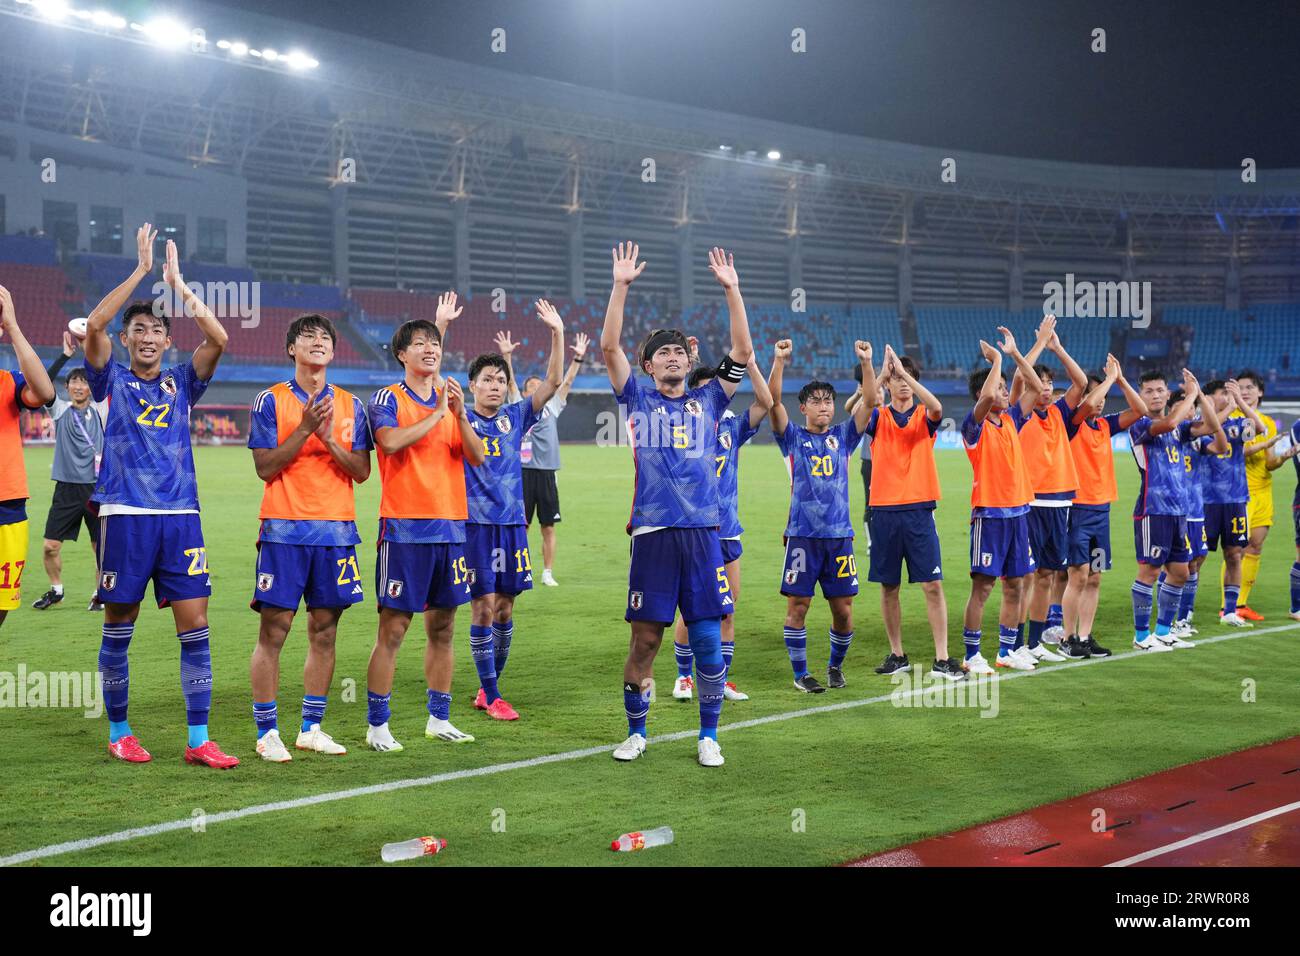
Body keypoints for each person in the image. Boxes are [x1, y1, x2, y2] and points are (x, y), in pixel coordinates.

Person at [84, 225, 238, 767]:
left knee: (195, 624)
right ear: (128, 340)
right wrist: (141, 273)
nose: (148, 337)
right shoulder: (108, 380)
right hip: (125, 515)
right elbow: (97, 322)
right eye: (139, 331)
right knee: (119, 625)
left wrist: (179, 285)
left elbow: (219, 339)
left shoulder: (182, 381)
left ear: (167, 341)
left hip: (181, 518)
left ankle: (199, 741)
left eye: (156, 330)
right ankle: (120, 731)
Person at [602, 244, 753, 768]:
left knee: (709, 642)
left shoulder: (711, 399)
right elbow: (607, 347)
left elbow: (741, 352)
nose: (672, 356)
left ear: (690, 362)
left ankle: (708, 735)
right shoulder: (636, 399)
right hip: (652, 536)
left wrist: (732, 290)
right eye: (661, 352)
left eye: (679, 352)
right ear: (648, 365)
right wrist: (620, 285)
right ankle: (637, 732)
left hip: (703, 534)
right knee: (644, 644)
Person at [247, 313, 373, 762]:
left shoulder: (352, 406)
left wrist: (326, 437)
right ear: (291, 349)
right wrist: (303, 429)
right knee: (274, 631)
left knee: (325, 632)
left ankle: (311, 728)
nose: (317, 341)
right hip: (283, 530)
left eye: (324, 337)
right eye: (307, 336)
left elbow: (361, 471)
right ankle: (267, 732)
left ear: (333, 352)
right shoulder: (270, 401)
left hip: (336, 533)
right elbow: (265, 467)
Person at [365, 293, 486, 752]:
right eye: (419, 343)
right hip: (404, 529)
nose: (430, 348)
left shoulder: (451, 398)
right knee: (393, 630)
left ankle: (439, 718)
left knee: (443, 628)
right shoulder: (387, 398)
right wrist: (437, 413)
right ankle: (378, 724)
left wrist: (456, 415)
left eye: (434, 342)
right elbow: (391, 443)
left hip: (452, 528)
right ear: (402, 354)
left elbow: (475, 457)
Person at [461, 300, 566, 721]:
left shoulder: (515, 417)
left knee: (505, 607)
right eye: (487, 379)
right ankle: (491, 693)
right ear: (472, 386)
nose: (495, 385)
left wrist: (556, 332)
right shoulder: (459, 418)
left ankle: (490, 689)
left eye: (500, 380)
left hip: (511, 528)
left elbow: (554, 380)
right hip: (475, 527)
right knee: (483, 606)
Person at [669, 340, 774, 702]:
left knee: (727, 609)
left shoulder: (731, 426)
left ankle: (720, 680)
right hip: (692, 528)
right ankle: (684, 677)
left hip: (727, 529)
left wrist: (752, 363)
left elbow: (767, 404)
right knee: (694, 608)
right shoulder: (680, 423)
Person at [768, 338, 874, 692]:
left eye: (828, 401)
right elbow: (771, 403)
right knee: (798, 606)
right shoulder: (793, 438)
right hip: (802, 536)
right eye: (816, 402)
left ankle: (834, 666)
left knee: (843, 610)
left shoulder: (844, 437)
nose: (824, 407)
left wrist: (867, 362)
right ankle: (800, 674)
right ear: (803, 409)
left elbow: (871, 401)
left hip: (839, 536)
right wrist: (779, 361)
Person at [861, 347, 965, 680]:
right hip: (885, 511)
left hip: (920, 510)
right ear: (887, 385)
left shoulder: (923, 416)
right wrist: (880, 374)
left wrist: (902, 373)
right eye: (897, 379)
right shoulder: (879, 417)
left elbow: (936, 406)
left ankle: (942, 658)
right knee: (888, 586)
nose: (904, 385)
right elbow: (860, 408)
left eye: (909, 379)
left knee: (932, 585)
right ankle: (897, 654)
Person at [960, 325, 1048, 673]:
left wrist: (1013, 354)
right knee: (983, 588)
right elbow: (984, 400)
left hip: (1019, 514)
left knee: (1016, 584)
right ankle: (971, 655)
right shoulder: (974, 427)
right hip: (990, 515)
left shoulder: (1011, 419)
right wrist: (996, 360)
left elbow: (1037, 387)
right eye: (997, 385)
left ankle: (1007, 650)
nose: (1002, 389)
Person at [1127, 369, 1224, 652]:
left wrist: (1201, 396)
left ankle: (1163, 631)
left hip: (1178, 512)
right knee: (1149, 571)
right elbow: (1169, 423)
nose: (1155, 395)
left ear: (1168, 394)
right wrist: (1192, 395)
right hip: (1152, 510)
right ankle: (1142, 636)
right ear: (1141, 396)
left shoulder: (1180, 430)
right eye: (1149, 391)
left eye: (1160, 390)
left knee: (1181, 572)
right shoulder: (1140, 425)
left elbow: (1211, 426)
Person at [1009, 317, 1089, 658]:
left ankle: (1034, 642)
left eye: (1048, 382)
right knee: (1026, 577)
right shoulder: (1020, 412)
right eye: (1038, 382)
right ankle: (1015, 642)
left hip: (1061, 504)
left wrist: (1057, 347)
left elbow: (1081, 382)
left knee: (1046, 575)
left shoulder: (1058, 412)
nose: (1044, 387)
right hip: (1031, 502)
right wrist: (1038, 343)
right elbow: (1017, 378)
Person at [1059, 357, 1147, 658]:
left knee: (1095, 576)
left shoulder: (1104, 427)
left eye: (1104, 398)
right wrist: (1106, 381)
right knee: (1078, 575)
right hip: (1077, 510)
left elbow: (1140, 410)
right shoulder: (1073, 423)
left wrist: (1120, 380)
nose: (1100, 402)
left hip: (1101, 511)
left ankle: (1084, 636)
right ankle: (1067, 637)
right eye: (1095, 396)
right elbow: (1084, 406)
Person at [496, 329, 589, 588]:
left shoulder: (553, 406)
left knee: (548, 526)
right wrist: (507, 355)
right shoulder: (518, 406)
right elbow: (511, 382)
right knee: (520, 526)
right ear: (525, 393)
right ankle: (519, 566)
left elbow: (566, 382)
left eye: (540, 386)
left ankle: (547, 572)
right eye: (532, 388)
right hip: (522, 473)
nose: (537, 390)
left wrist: (578, 359)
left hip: (547, 472)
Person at [33, 331, 107, 612]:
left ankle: (99, 593)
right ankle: (57, 589)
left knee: (100, 548)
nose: (78, 386)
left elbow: (103, 371)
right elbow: (40, 381)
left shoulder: (101, 410)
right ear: (67, 387)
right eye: (74, 381)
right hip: (65, 488)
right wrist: (65, 354)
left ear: (90, 387)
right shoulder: (59, 410)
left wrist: (89, 346)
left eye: (83, 382)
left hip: (96, 488)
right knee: (50, 546)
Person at [0, 283, 57, 629]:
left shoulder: (8, 382)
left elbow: (45, 391)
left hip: (6, 505)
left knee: (2, 603)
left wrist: (13, 327)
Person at [1203, 379, 1281, 627]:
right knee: (1196, 557)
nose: (1229, 398)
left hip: (1236, 499)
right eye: (1223, 394)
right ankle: (1182, 615)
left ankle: (1231, 610)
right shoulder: (1200, 426)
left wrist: (1243, 405)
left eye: (1229, 394)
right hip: (1208, 499)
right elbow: (1219, 442)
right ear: (1208, 398)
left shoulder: (1238, 424)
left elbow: (1258, 427)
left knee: (1236, 553)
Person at [845, 365, 875, 551]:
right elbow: (850, 409)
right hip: (869, 460)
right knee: (870, 502)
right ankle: (872, 542)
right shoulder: (866, 409)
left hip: (886, 462)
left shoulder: (886, 409)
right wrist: (859, 394)